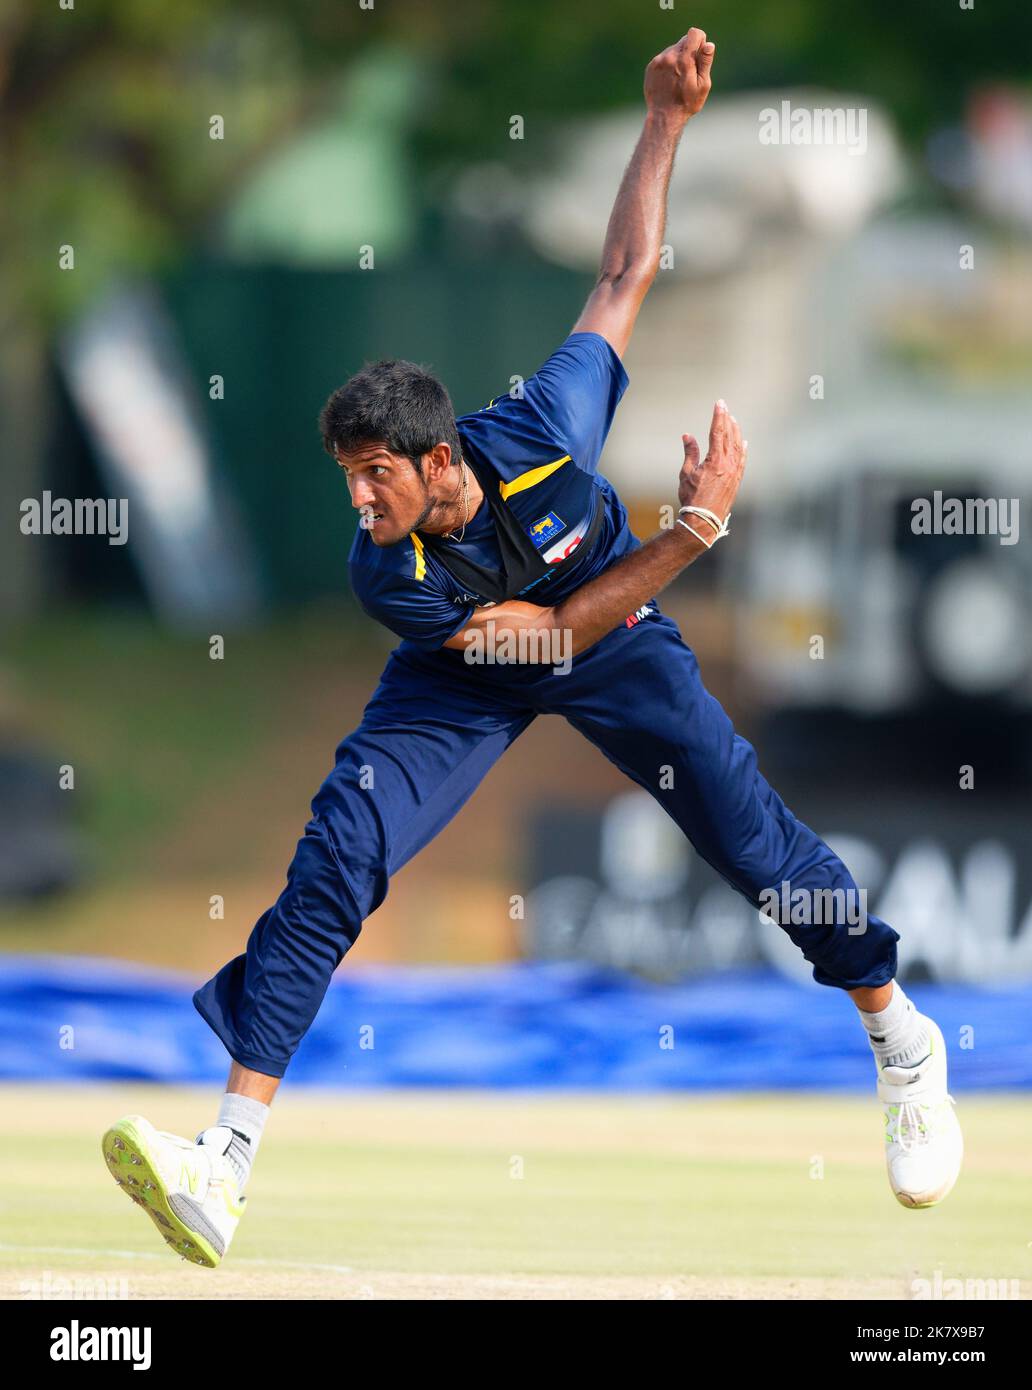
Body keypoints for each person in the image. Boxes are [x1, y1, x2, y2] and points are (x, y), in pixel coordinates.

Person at [102, 27, 961, 1269]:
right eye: (350, 477)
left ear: (442, 458)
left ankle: (900, 1039)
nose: (361, 499)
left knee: (752, 840)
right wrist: (695, 532)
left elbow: (622, 271)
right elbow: (535, 637)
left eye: (377, 475)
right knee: (343, 845)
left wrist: (663, 120)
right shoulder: (382, 570)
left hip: (619, 637)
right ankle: (221, 1165)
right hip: (470, 669)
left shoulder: (549, 420)